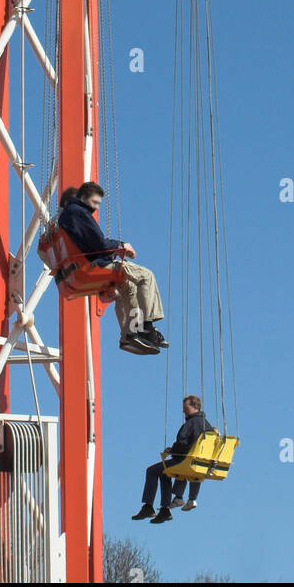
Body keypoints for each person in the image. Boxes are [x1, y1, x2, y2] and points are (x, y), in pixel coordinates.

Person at [56, 182, 167, 355]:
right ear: (82, 198)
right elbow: (99, 243)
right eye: (94, 202)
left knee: (128, 287)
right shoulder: (78, 213)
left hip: (80, 267)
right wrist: (122, 245)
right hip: (94, 265)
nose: (96, 207)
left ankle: (129, 334)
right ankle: (146, 326)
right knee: (146, 276)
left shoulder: (63, 218)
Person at [133, 396, 214, 524]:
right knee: (165, 472)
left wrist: (172, 450)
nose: (183, 411)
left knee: (152, 471)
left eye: (186, 408)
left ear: (195, 407)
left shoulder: (190, 423)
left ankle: (148, 506)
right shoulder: (208, 425)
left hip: (184, 461)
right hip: (197, 462)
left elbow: (182, 442)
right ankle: (165, 510)